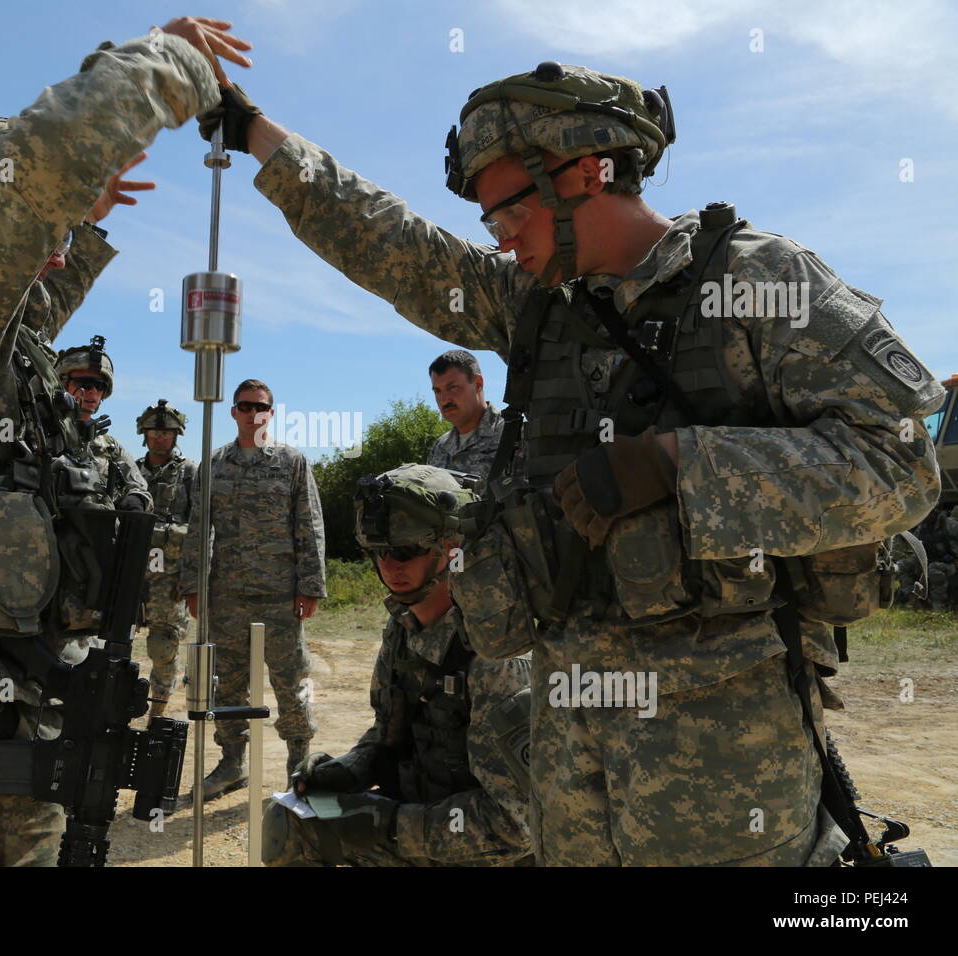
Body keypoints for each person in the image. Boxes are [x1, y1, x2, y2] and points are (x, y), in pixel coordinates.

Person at [203, 62, 942, 865]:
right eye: (487, 217)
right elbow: (395, 246)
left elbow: (899, 460)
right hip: (567, 720)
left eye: (509, 208)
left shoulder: (753, 281)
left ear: (588, 171)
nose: (498, 234)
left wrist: (678, 465)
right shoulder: (541, 307)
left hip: (719, 739)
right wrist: (255, 137)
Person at [0, 17, 250, 866]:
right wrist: (167, 57)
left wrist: (86, 224)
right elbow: (47, 154)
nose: (53, 250)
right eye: (42, 227)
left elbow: (23, 330)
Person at [263, 464, 533, 866]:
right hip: (419, 822)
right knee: (288, 825)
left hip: (482, 851)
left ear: (451, 550)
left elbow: (515, 826)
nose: (391, 566)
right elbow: (390, 733)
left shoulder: (497, 654)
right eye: (380, 552)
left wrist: (387, 826)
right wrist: (348, 770)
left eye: (407, 551)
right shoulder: (404, 626)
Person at [180, 379, 327, 798]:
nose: (252, 413)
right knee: (227, 684)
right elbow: (198, 528)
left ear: (271, 412)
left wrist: (311, 586)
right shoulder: (214, 465)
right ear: (233, 412)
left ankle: (298, 770)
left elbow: (309, 525)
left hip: (280, 596)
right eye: (244, 406)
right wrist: (193, 585)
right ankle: (231, 765)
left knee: (290, 683)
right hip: (225, 595)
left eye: (260, 407)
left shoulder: (291, 462)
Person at [134, 399, 197, 715]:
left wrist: (194, 580)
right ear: (143, 434)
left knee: (163, 648)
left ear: (177, 435)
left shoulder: (189, 473)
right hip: (131, 574)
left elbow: (202, 529)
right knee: (113, 647)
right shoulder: (129, 471)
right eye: (153, 431)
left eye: (167, 432)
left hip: (169, 579)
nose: (160, 437)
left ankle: (156, 717)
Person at [54, 335, 151, 511]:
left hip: (98, 533)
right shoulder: (41, 433)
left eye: (100, 386)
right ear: (62, 383)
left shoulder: (110, 447)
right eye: (84, 383)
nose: (92, 391)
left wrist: (136, 499)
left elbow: (139, 487)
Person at [425, 349, 504, 483]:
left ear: (478, 384)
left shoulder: (514, 435)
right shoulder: (440, 447)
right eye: (437, 391)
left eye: (453, 388)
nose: (444, 400)